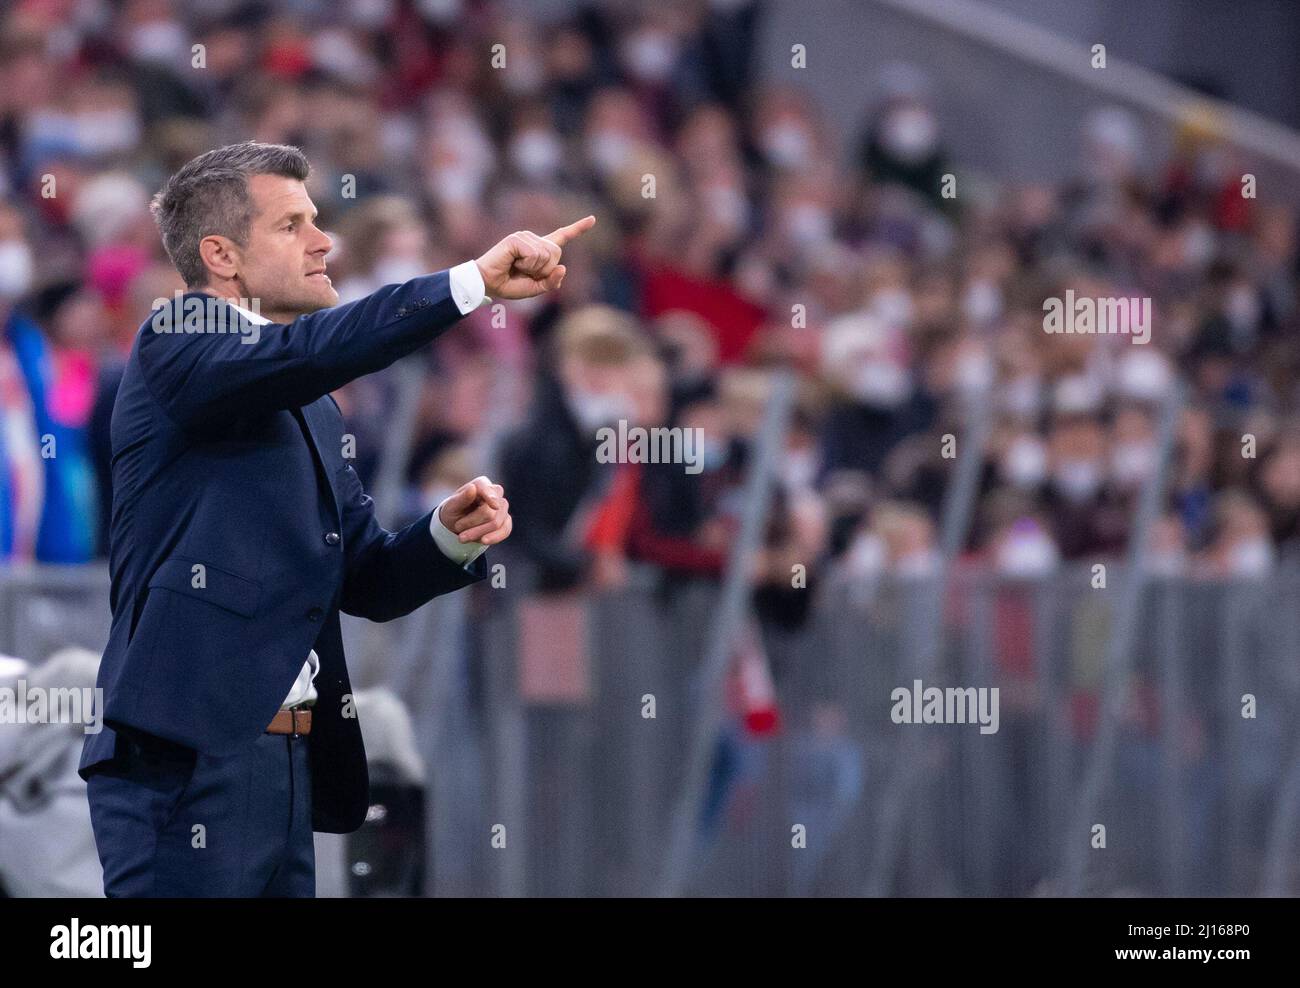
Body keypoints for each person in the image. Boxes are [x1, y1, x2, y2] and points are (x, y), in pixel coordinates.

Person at [77, 141, 595, 897]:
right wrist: (470, 283)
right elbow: (316, 350)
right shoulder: (177, 335)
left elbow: (367, 580)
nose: (325, 242)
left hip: (287, 766)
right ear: (220, 255)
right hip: (187, 760)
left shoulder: (311, 404)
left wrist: (446, 535)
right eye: (292, 226)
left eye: (317, 220)